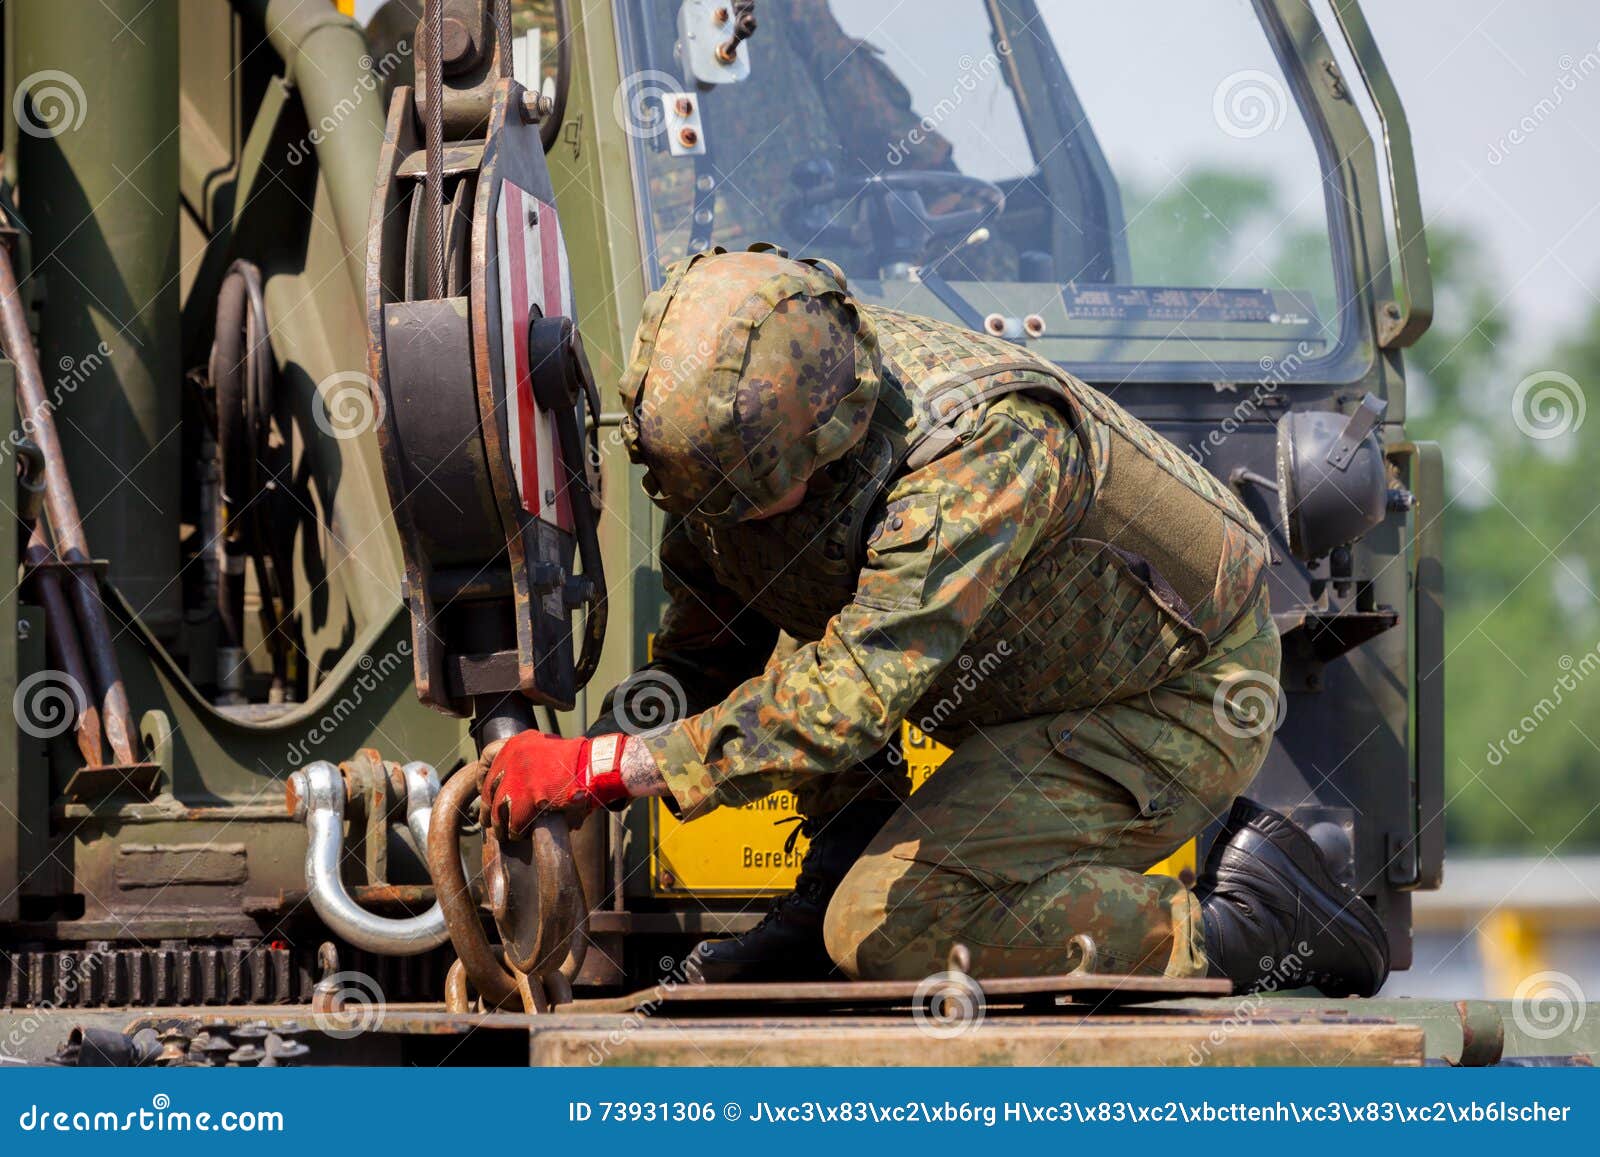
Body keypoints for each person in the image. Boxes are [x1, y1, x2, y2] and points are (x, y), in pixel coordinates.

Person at [482, 245, 1389, 996]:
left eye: (745, 498)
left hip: (1174, 697)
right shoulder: (746, 436)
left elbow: (854, 695)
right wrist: (592, 751)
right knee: (814, 647)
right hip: (1031, 683)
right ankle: (826, 882)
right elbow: (716, 641)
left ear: (830, 437)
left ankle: (1247, 925)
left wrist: (602, 770)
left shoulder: (978, 451)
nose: (725, 519)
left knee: (893, 928)